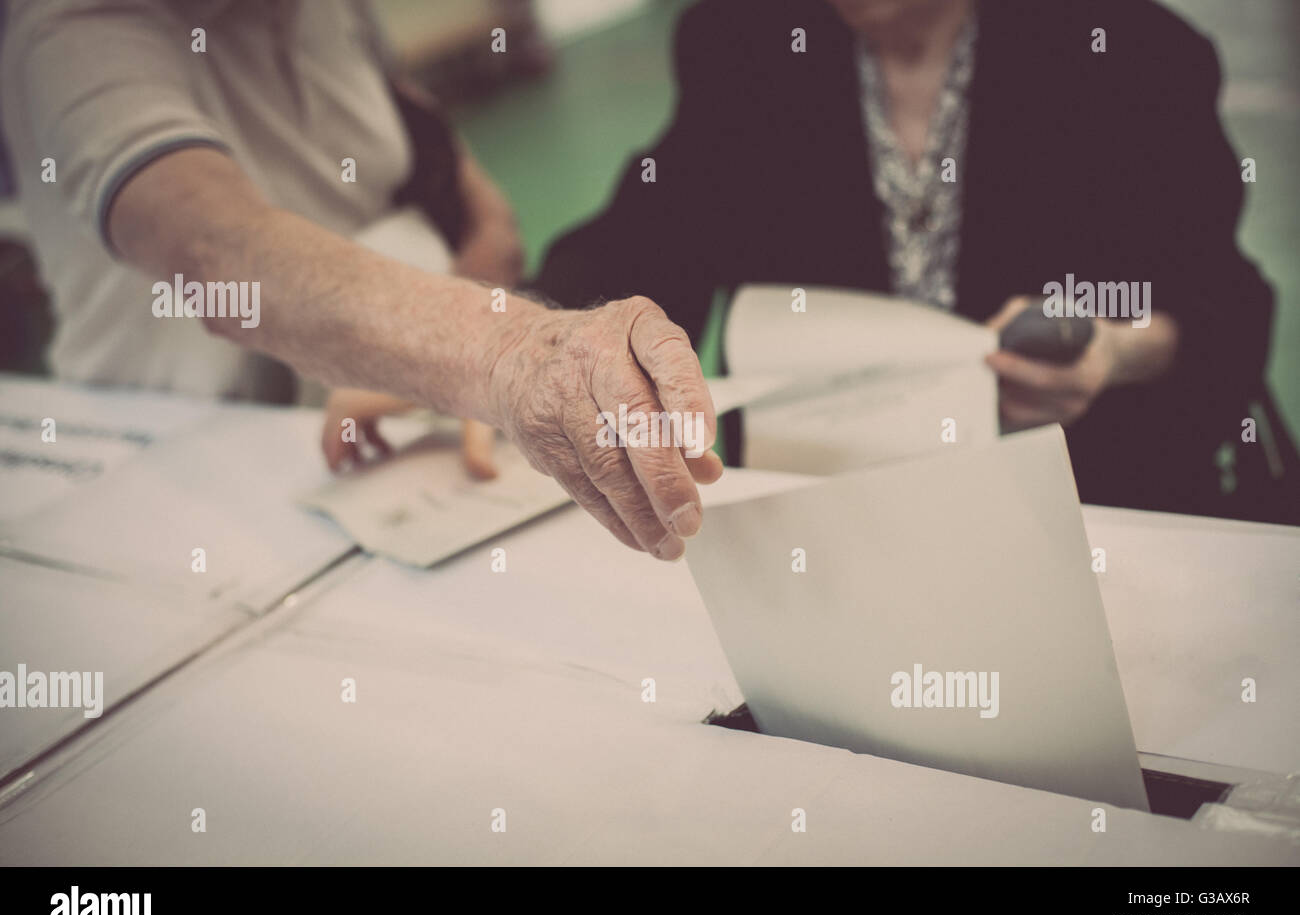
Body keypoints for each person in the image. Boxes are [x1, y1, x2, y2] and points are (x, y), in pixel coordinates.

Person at [516, 0, 1294, 522]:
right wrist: (526, 343)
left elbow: (1218, 302)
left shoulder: (1123, 47)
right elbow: (650, 234)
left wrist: (1114, 350)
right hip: (835, 505)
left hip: (1088, 501)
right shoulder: (749, 36)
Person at [1, 0, 722, 560]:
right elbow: (217, 253)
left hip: (387, 415)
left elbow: (451, 173)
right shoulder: (67, 35)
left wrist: (457, 336)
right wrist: (506, 354)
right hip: (194, 457)